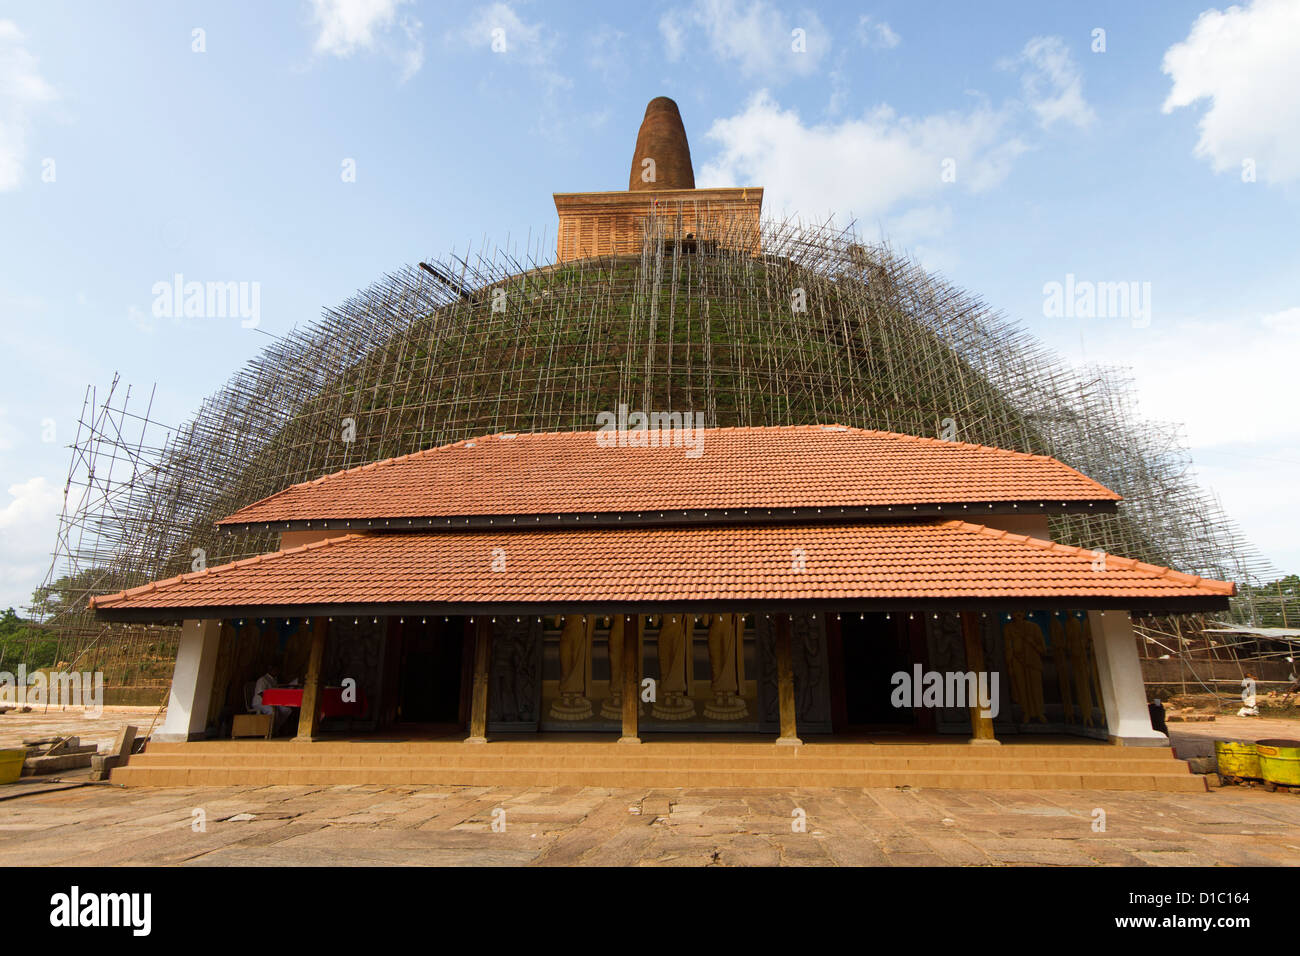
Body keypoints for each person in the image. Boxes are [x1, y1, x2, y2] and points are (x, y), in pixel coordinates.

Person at [253, 665, 293, 732]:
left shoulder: (274, 680)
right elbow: (261, 693)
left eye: (278, 670)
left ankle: (274, 728)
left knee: (287, 710)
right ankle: (267, 730)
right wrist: (271, 702)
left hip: (272, 702)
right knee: (272, 710)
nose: (277, 671)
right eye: (275, 669)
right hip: (261, 702)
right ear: (270, 670)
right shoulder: (263, 679)